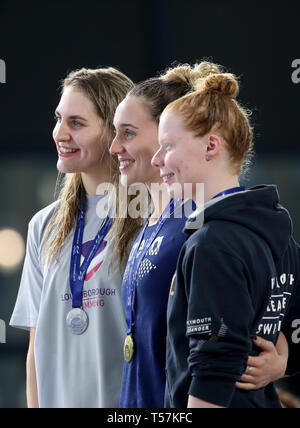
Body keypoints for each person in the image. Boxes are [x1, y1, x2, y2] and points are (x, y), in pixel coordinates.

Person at [110, 62, 289, 408]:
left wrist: (281, 357)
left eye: (128, 133)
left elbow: (265, 303)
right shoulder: (149, 218)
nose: (115, 146)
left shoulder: (209, 227)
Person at [10, 67, 134, 408]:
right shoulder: (44, 226)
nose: (59, 133)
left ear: (114, 132)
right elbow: (36, 350)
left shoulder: (147, 218)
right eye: (58, 119)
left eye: (76, 123)